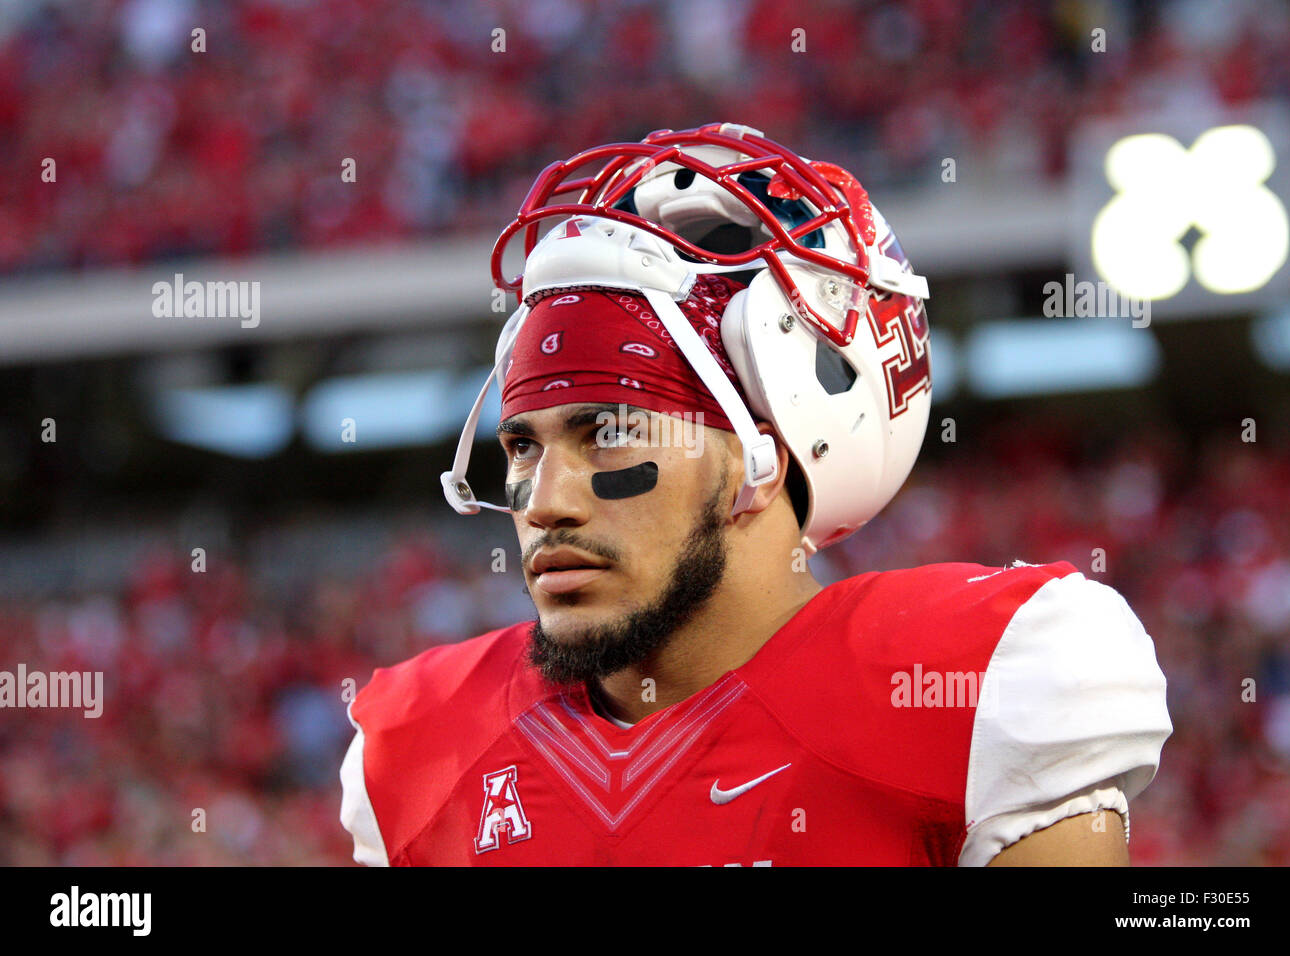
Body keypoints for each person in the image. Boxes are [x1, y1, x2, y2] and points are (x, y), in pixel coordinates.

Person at [340, 123, 1172, 865]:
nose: (543, 501)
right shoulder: (420, 750)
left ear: (762, 459)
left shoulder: (976, 687)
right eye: (524, 444)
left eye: (611, 432)